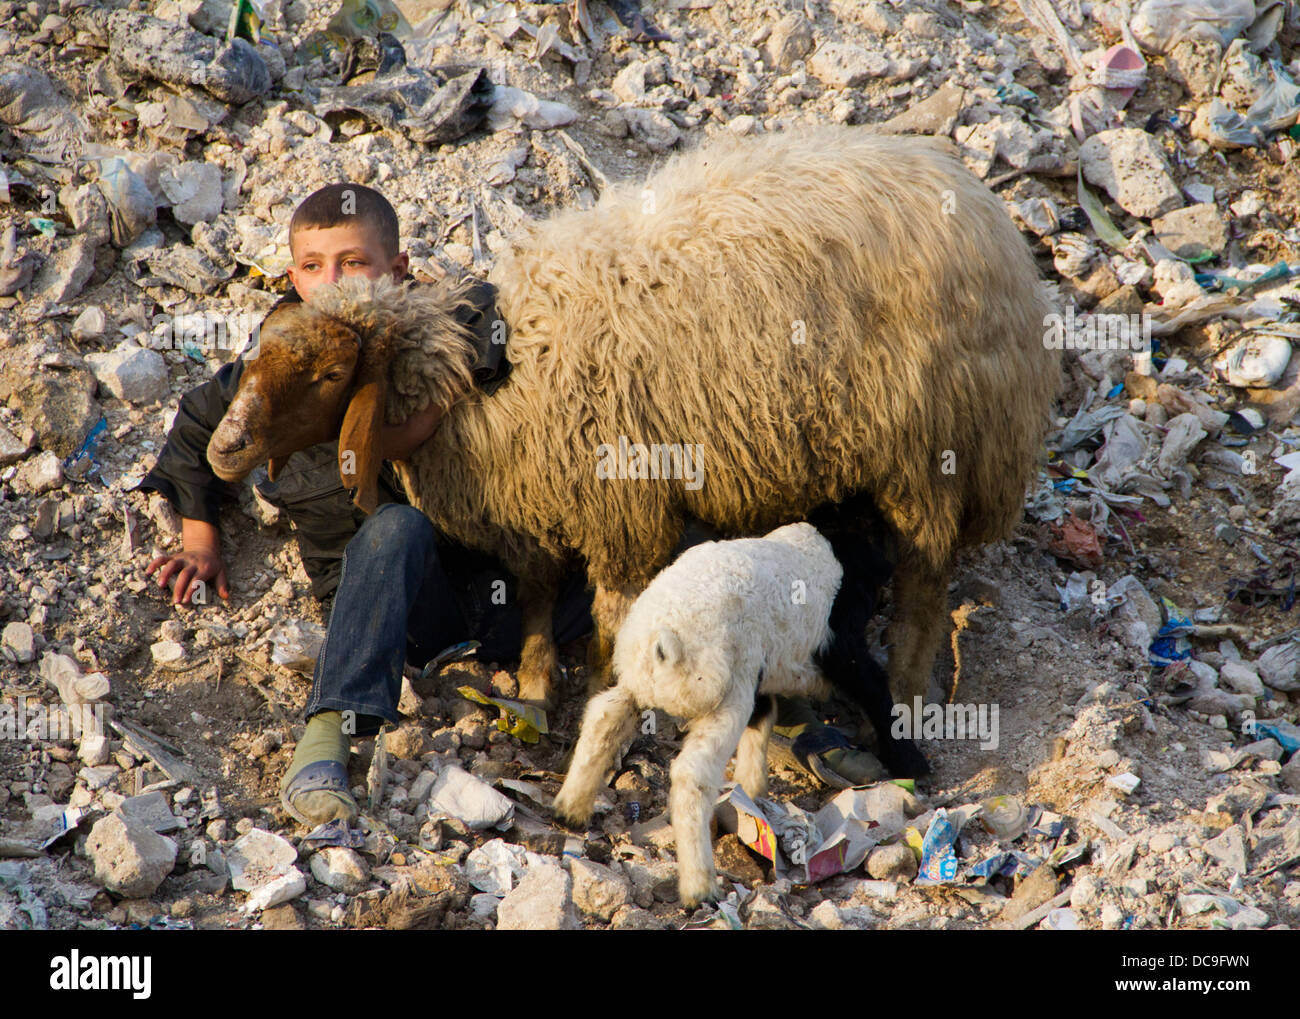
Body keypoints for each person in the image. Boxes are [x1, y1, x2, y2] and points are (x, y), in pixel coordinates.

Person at [141, 183, 885, 829]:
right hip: (399, 611)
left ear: (397, 271)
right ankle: (327, 740)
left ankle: (788, 709)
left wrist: (434, 388)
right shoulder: (278, 364)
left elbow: (505, 329)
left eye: (354, 263)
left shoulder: (441, 330)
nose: (333, 282)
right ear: (292, 277)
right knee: (395, 525)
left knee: (682, 535)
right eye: (313, 267)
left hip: (517, 591)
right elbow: (200, 431)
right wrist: (201, 533)